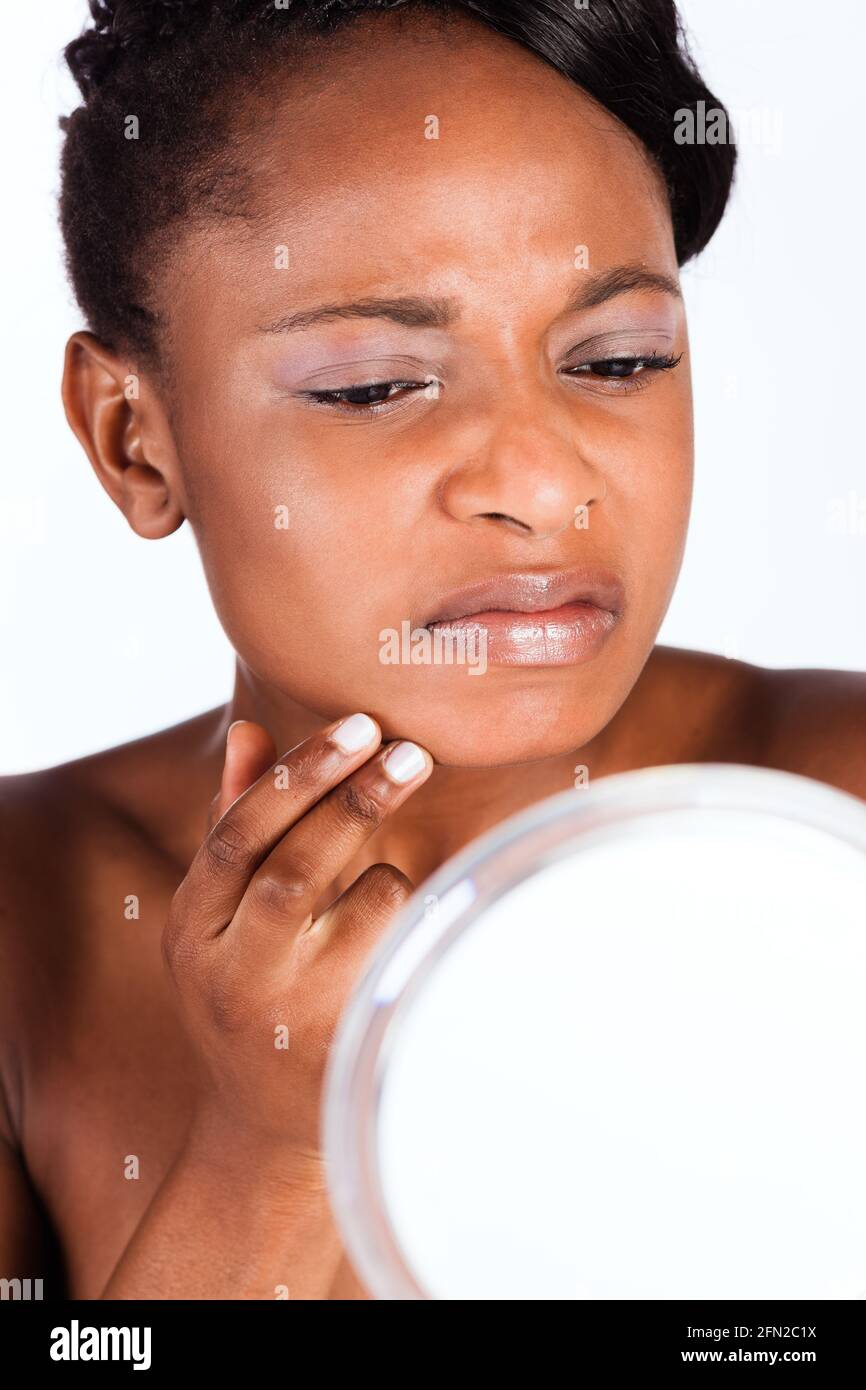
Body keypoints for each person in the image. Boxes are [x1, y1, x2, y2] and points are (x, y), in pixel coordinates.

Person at [1, 0, 863, 1300]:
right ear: (133, 437)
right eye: (371, 385)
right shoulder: (27, 928)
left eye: (617, 359)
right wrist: (269, 1146)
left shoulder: (832, 825)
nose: (537, 479)